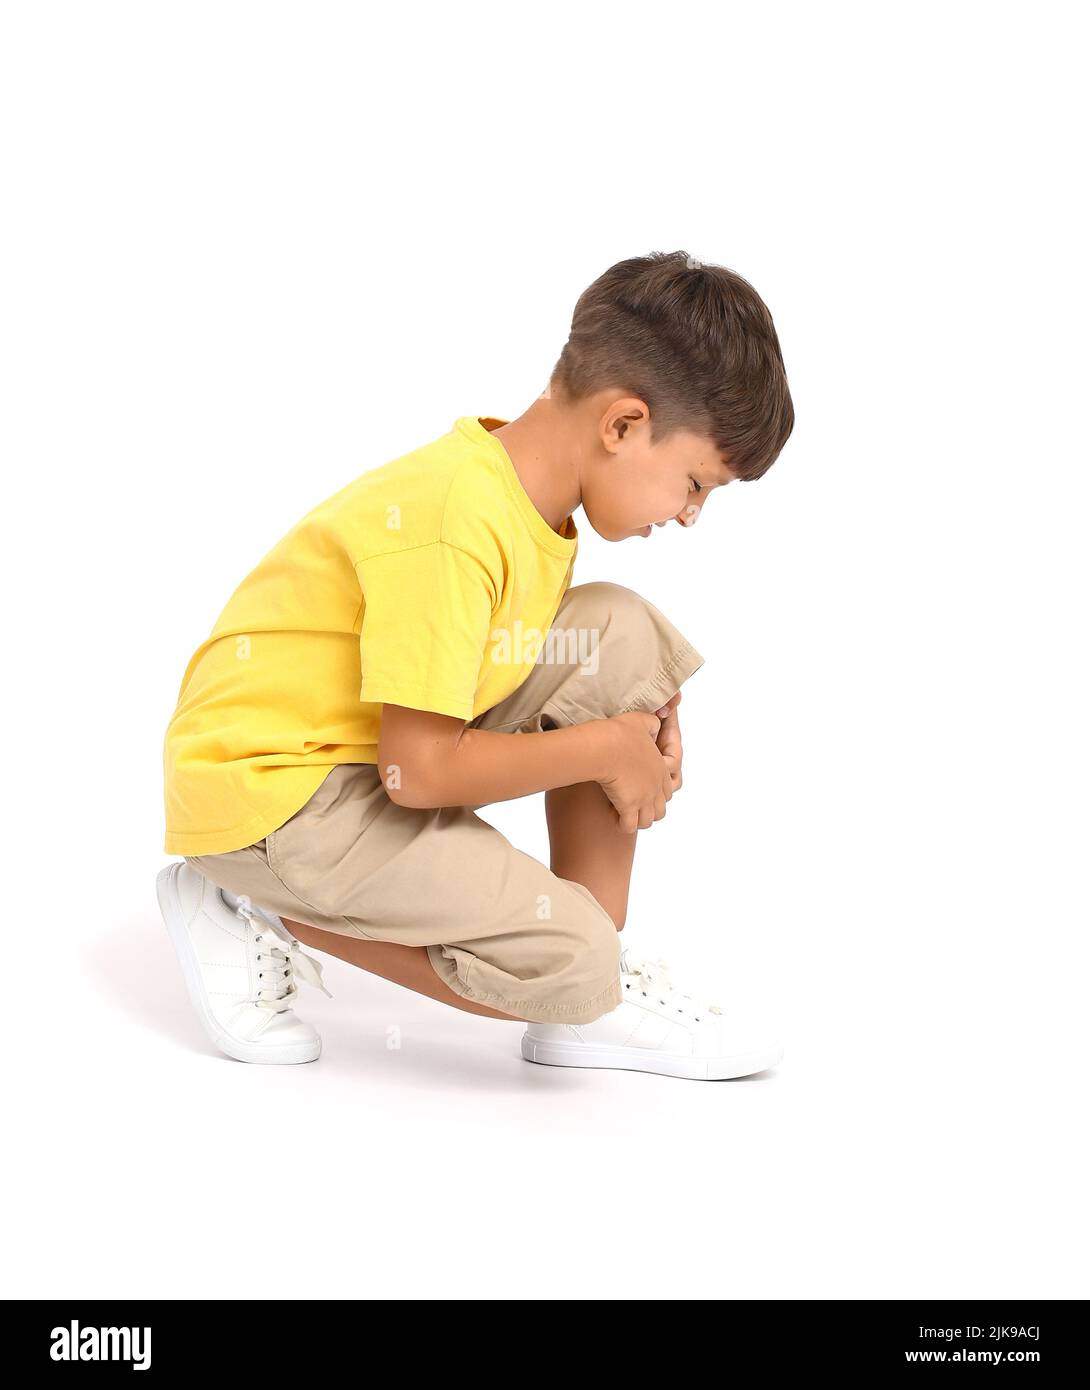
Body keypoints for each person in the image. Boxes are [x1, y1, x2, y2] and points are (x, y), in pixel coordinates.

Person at [157, 249, 794, 1080]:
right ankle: (243, 898)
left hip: (351, 752)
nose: (689, 516)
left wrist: (637, 721)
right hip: (274, 794)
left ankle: (581, 1000)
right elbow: (414, 773)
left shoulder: (532, 499)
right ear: (624, 425)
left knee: (622, 634)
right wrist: (609, 748)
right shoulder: (457, 520)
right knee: (575, 964)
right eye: (694, 484)